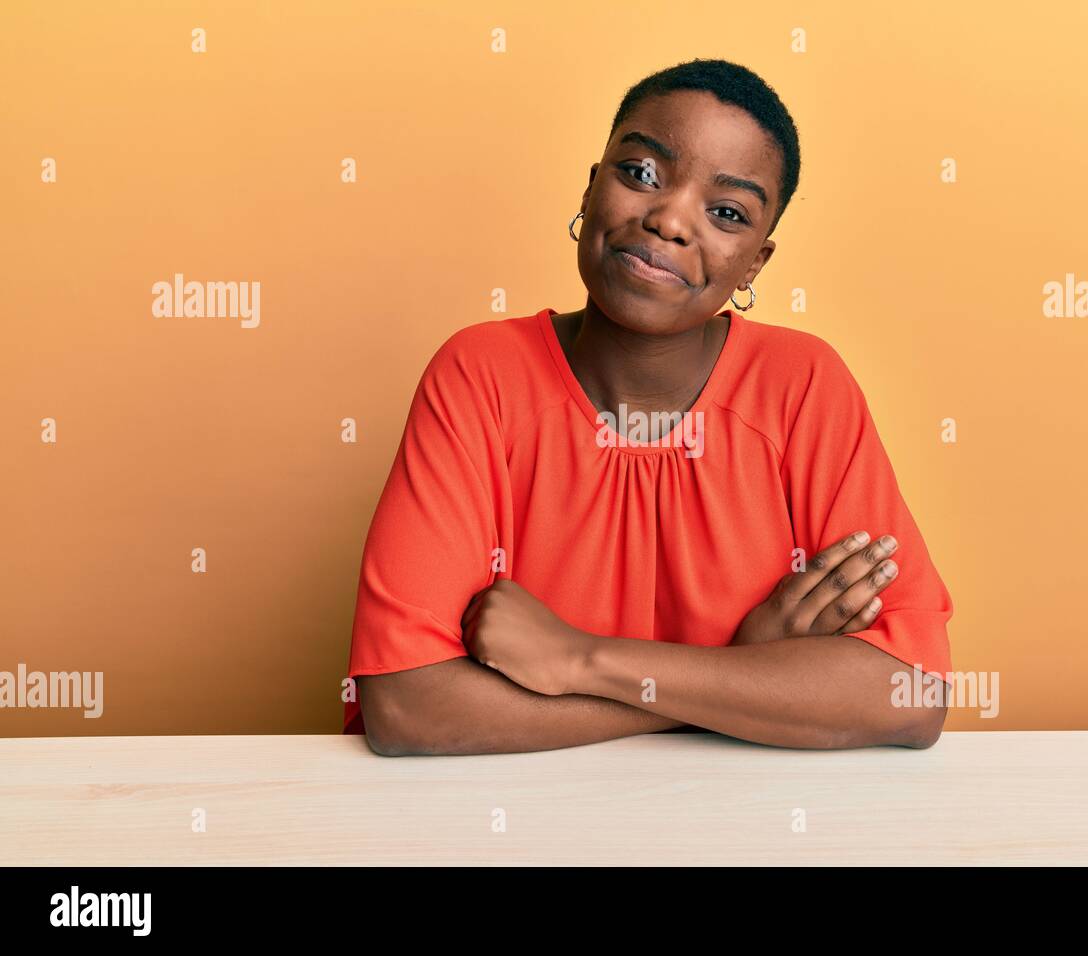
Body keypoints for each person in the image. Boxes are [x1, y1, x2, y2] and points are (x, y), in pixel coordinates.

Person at [344, 58, 953, 754]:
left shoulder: (802, 386)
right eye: (641, 173)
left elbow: (911, 694)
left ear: (755, 263)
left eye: (726, 213)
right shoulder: (481, 377)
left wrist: (579, 659)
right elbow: (410, 707)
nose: (667, 219)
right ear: (591, 186)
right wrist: (743, 681)